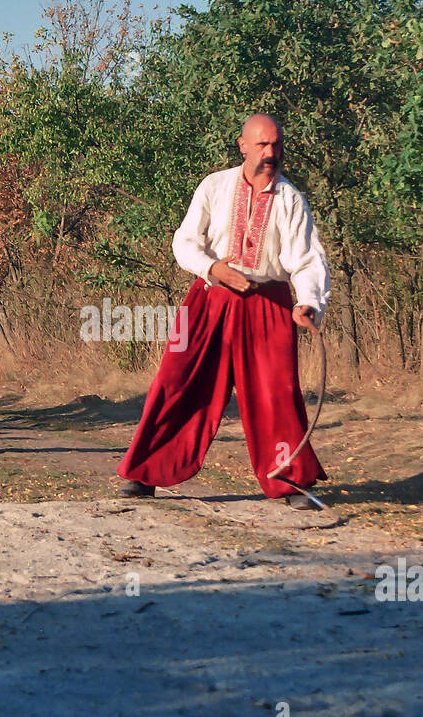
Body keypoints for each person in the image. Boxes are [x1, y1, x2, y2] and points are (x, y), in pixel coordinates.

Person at [116, 114, 331, 509]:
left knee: (275, 393)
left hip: (268, 306)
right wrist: (215, 269)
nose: (270, 153)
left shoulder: (290, 199)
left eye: (276, 145)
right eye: (262, 145)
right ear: (242, 145)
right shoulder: (214, 186)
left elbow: (306, 261)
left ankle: (290, 481)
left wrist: (308, 302)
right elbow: (185, 241)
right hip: (210, 298)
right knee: (177, 381)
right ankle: (145, 472)